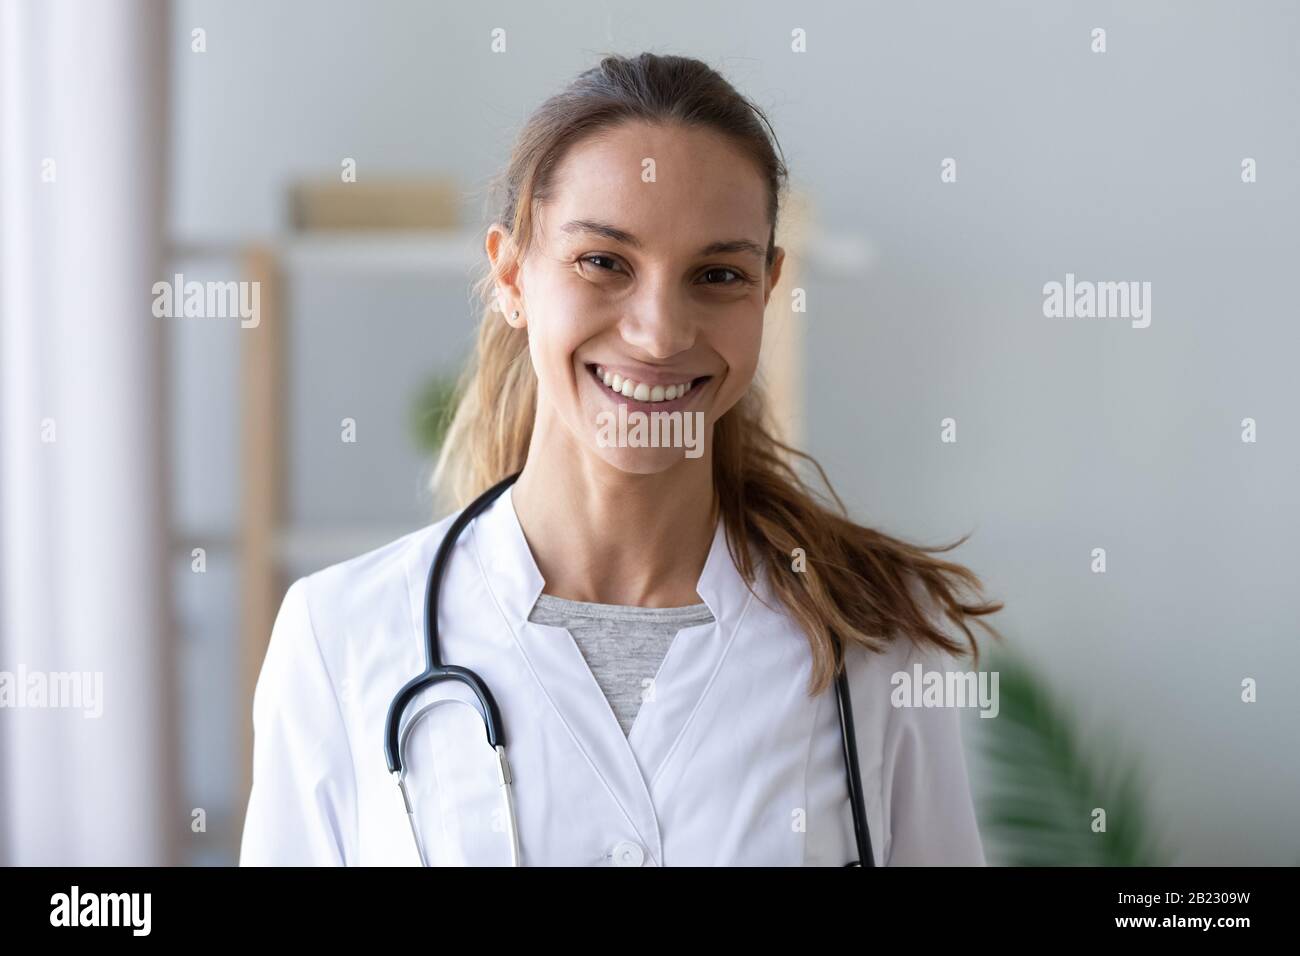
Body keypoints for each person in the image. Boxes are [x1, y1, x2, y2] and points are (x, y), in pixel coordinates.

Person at [240, 52, 1003, 867]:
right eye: (604, 262)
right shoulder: (339, 637)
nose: (660, 332)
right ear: (510, 275)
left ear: (769, 289)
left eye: (717, 274)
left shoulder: (876, 640)